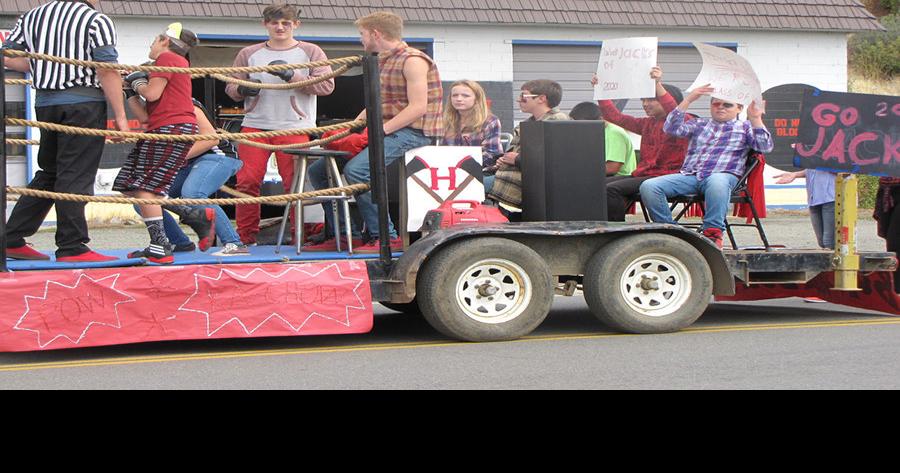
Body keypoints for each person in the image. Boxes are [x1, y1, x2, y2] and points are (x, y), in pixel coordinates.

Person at [3, 0, 130, 262]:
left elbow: (8, 55)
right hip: (83, 105)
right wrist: (120, 115)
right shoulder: (95, 20)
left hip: (46, 104)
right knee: (76, 174)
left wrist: (43, 66)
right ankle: (72, 246)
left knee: (50, 172)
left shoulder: (33, 16)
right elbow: (106, 70)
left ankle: (11, 238)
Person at [306, 11, 443, 253]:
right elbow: (376, 104)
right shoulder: (381, 60)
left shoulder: (413, 60)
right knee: (319, 170)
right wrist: (349, 130)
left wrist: (377, 133)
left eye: (362, 34)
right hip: (388, 129)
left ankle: (386, 237)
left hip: (414, 132)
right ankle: (347, 234)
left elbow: (418, 107)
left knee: (358, 170)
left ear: (375, 34)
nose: (360, 39)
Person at [224, 3, 335, 246]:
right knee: (247, 181)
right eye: (275, 22)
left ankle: (299, 238)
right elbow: (230, 88)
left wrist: (292, 77)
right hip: (254, 123)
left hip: (295, 126)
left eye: (286, 22)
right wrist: (242, 89)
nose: (280, 27)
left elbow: (327, 86)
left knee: (294, 184)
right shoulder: (248, 53)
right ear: (265, 24)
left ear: (296, 24)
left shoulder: (311, 51)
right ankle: (245, 238)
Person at [639, 85, 774, 248]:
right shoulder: (699, 124)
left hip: (724, 175)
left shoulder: (745, 127)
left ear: (739, 108)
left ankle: (713, 232)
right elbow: (670, 128)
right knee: (649, 186)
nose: (720, 107)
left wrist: (755, 118)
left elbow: (764, 147)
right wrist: (688, 100)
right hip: (692, 175)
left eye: (727, 105)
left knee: (716, 181)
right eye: (716, 104)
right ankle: (671, 230)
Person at [113, 23, 202, 264]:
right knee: (131, 185)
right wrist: (130, 90)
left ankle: (160, 244)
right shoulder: (169, 64)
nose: (150, 45)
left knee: (146, 187)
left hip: (171, 128)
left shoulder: (169, 58)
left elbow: (151, 94)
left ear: (164, 40)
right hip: (160, 127)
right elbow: (144, 116)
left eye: (153, 40)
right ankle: (193, 216)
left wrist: (137, 82)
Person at [132, 100, 248, 257]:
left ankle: (234, 243)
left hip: (217, 155)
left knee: (192, 194)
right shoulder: (156, 106)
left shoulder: (186, 102)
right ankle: (180, 243)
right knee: (145, 199)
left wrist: (174, 158)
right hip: (187, 163)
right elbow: (144, 119)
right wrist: (129, 92)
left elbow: (211, 139)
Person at [592, 66, 690, 221]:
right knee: (594, 183)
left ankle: (615, 232)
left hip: (666, 177)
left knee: (610, 189)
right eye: (643, 100)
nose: (645, 104)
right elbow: (615, 117)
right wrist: (600, 91)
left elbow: (673, 110)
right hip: (644, 175)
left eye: (651, 99)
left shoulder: (684, 122)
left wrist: (657, 84)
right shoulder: (647, 123)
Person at [488, 80, 569, 209]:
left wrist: (516, 159)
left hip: (525, 182)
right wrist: (503, 160)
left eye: (523, 96)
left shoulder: (558, 122)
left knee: (474, 185)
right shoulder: (528, 124)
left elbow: (555, 159)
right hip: (510, 176)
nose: (519, 100)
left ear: (541, 99)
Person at [442, 80, 503, 191]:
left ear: (477, 99)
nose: (459, 99)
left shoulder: (490, 121)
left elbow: (492, 155)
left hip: (481, 172)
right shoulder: (445, 122)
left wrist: (461, 166)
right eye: (454, 95)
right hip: (449, 172)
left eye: (465, 95)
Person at [568, 101, 636, 178]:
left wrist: (579, 170)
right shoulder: (594, 133)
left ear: (600, 120)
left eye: (582, 125)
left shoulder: (614, 133)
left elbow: (612, 168)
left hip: (619, 178)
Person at [773, 169, 836, 249]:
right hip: (814, 199)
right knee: (821, 242)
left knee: (829, 242)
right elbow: (812, 170)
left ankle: (835, 260)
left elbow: (847, 169)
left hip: (831, 198)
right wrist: (795, 174)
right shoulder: (813, 158)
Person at [873, 177, 900, 292]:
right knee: (891, 241)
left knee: (895, 241)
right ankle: (896, 286)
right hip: (887, 190)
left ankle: (897, 287)